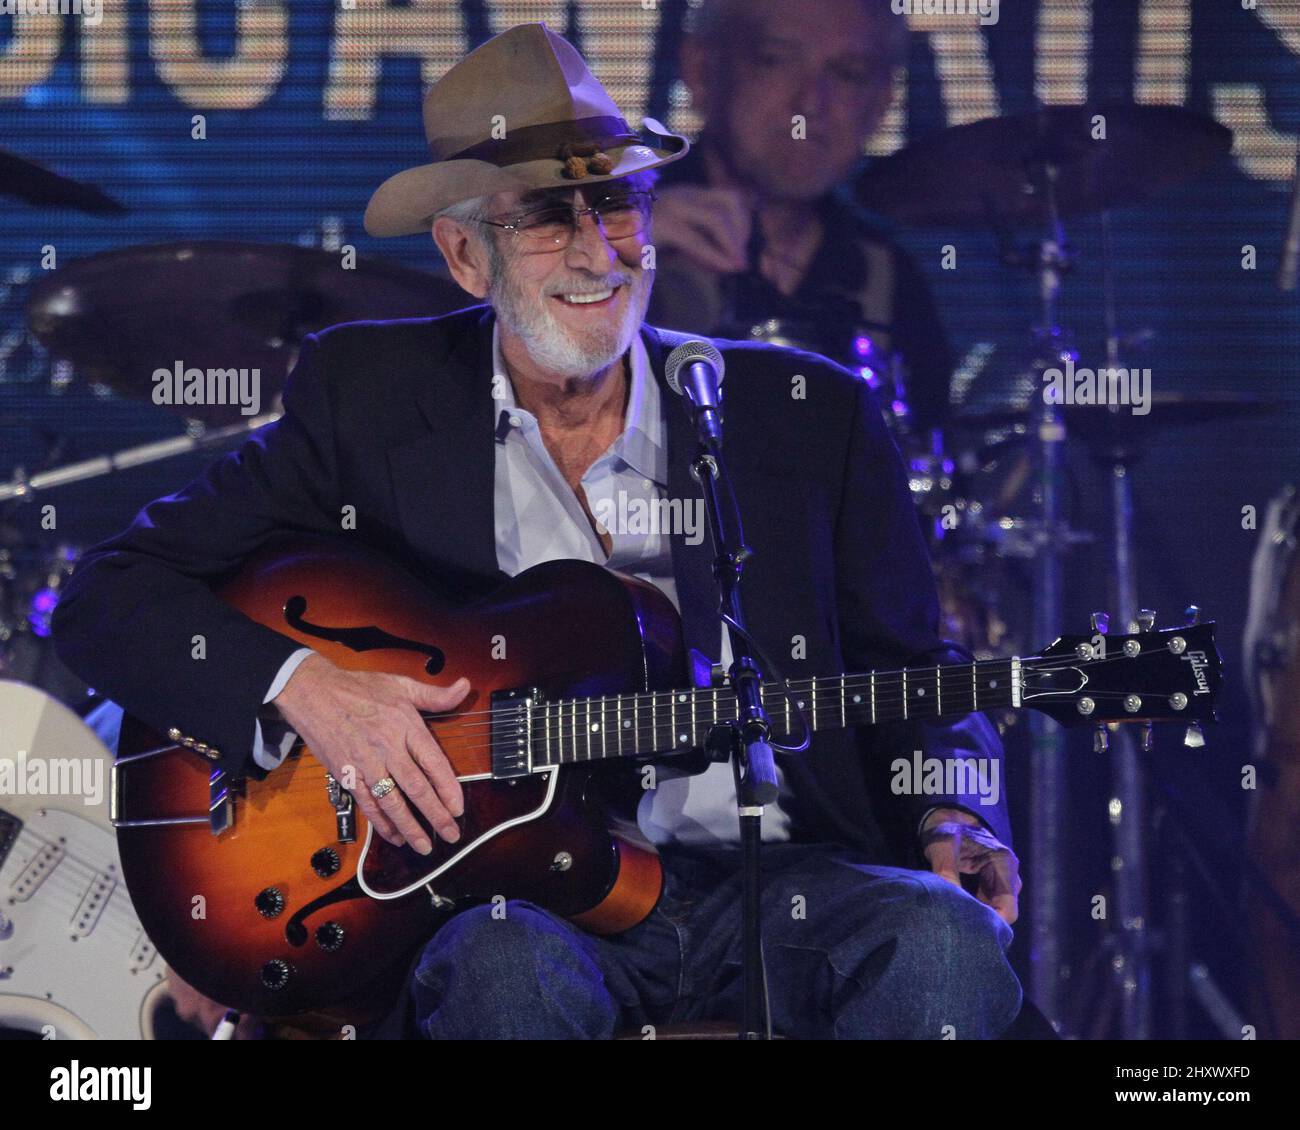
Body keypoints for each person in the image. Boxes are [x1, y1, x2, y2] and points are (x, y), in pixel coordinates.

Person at [52, 22, 1021, 1040]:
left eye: (614, 201)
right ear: (466, 254)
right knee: (501, 971)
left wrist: (950, 811)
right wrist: (306, 691)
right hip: (524, 906)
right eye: (546, 218)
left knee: (944, 940)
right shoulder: (368, 398)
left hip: (785, 880)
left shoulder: (806, 412)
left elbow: (917, 667)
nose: (597, 252)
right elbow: (109, 595)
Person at [648, 0, 955, 432]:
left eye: (848, 73)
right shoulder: (613, 233)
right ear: (702, 70)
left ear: (882, 103)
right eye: (776, 61)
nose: (811, 102)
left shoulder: (890, 283)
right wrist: (612, 252)